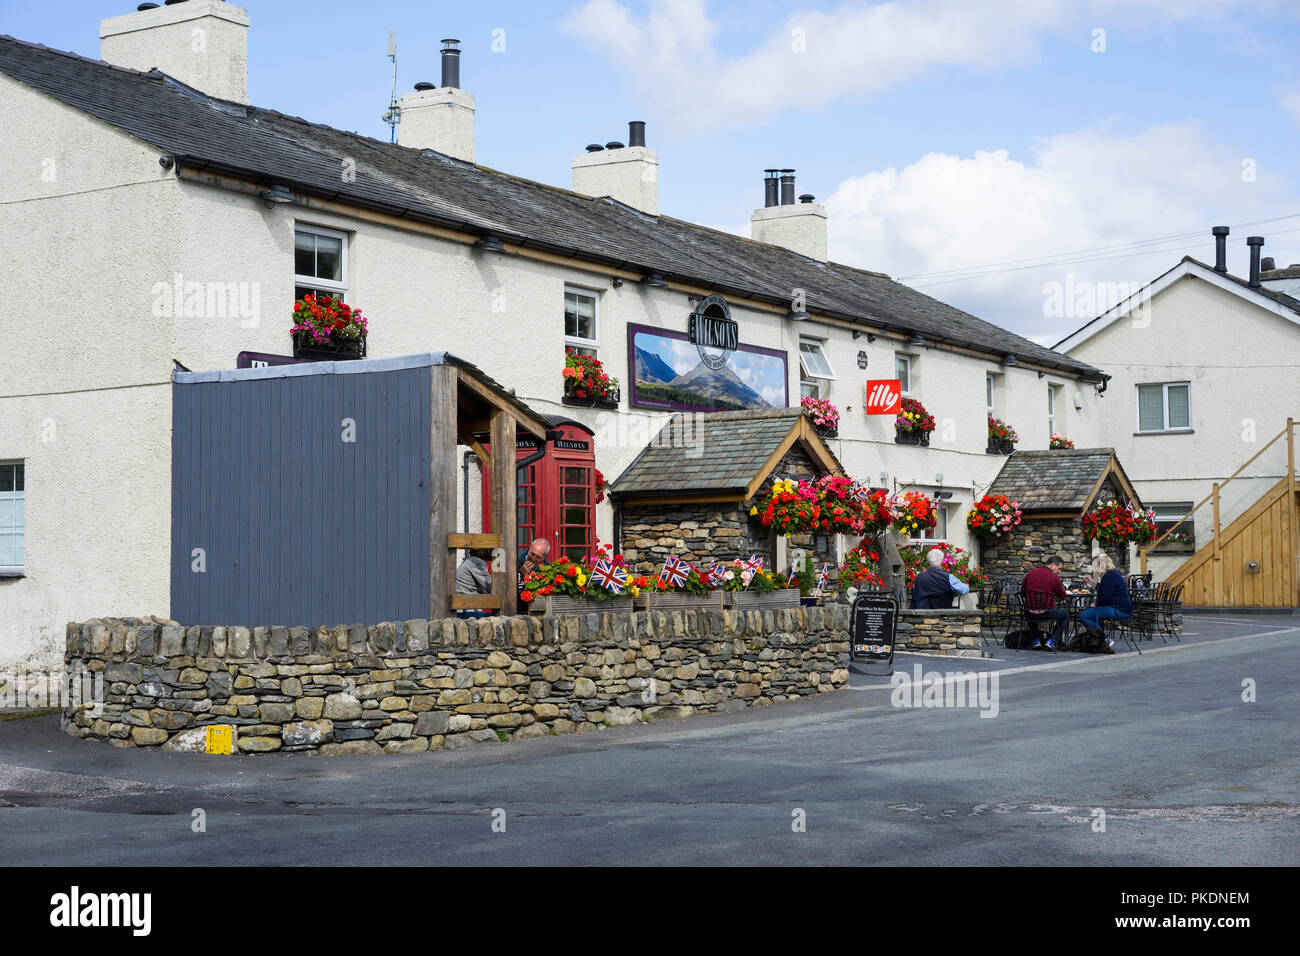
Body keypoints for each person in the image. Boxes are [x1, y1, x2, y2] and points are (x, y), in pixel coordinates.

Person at [1079, 552, 1132, 653]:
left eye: (1095, 565)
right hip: (1120, 608)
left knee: (1084, 615)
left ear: (1100, 564)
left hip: (1118, 609)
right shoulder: (1112, 573)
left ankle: (1104, 639)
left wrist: (1096, 603)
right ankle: (1100, 641)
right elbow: (1106, 590)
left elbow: (1105, 597)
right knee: (1091, 614)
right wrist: (1093, 583)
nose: (1095, 569)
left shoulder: (1109, 575)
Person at [1020, 554, 1069, 650]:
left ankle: (1036, 640)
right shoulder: (1054, 578)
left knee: (1031, 609)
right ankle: (1052, 641)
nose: (1059, 572)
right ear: (1052, 565)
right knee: (1065, 615)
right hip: (1047, 613)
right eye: (1059, 569)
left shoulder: (1030, 574)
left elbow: (1022, 593)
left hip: (1029, 613)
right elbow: (1063, 595)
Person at [455, 548, 494, 619]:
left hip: (462, 610)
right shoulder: (475, 562)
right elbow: (490, 585)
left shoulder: (470, 560)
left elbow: (484, 589)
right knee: (498, 620)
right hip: (466, 612)